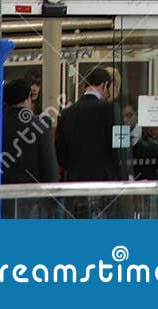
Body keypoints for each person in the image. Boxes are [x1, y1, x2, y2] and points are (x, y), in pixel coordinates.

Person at [54, 67, 123, 218]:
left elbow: (60, 153)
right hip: (105, 186)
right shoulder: (112, 110)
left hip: (75, 186)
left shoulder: (66, 113)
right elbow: (120, 150)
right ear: (105, 85)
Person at [0, 78, 58, 219]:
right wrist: (52, 201)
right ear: (28, 98)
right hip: (32, 199)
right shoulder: (40, 124)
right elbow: (49, 165)